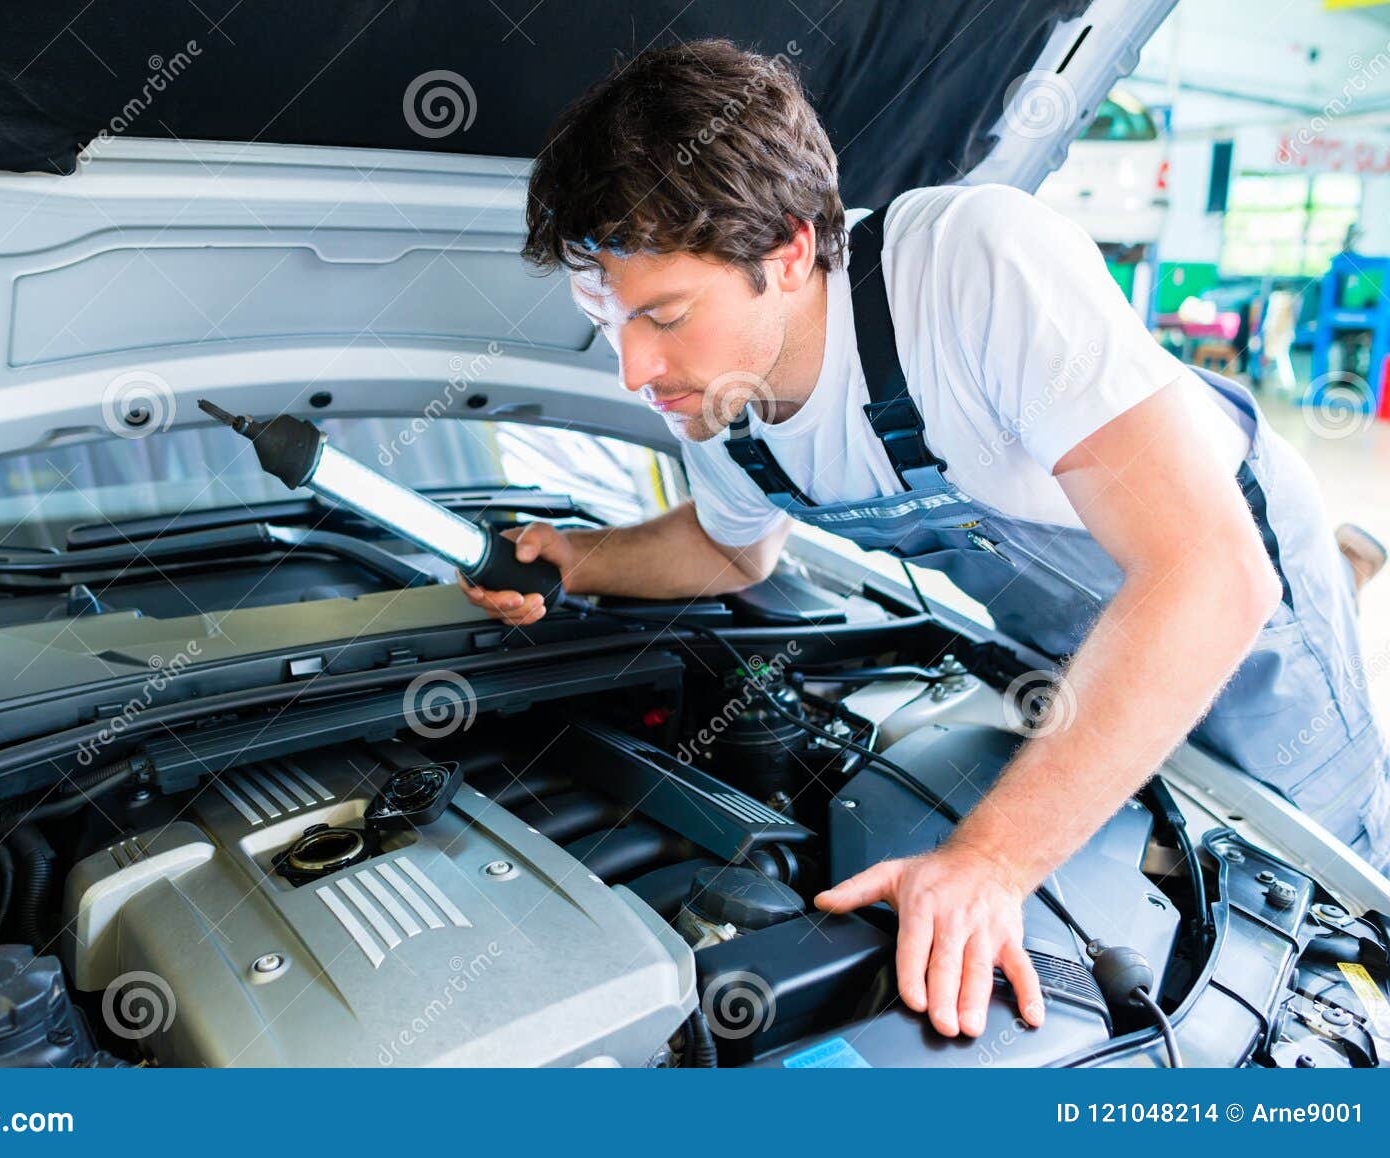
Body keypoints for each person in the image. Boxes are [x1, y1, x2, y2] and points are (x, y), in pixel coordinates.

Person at [461, 39, 1390, 1040]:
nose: (633, 370)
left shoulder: (969, 267)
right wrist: (584, 556)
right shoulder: (721, 403)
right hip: (1078, 633)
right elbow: (737, 554)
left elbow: (1205, 576)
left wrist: (990, 863)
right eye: (605, 319)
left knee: (1320, 888)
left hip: (1232, 579)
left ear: (784, 249)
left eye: (665, 316)